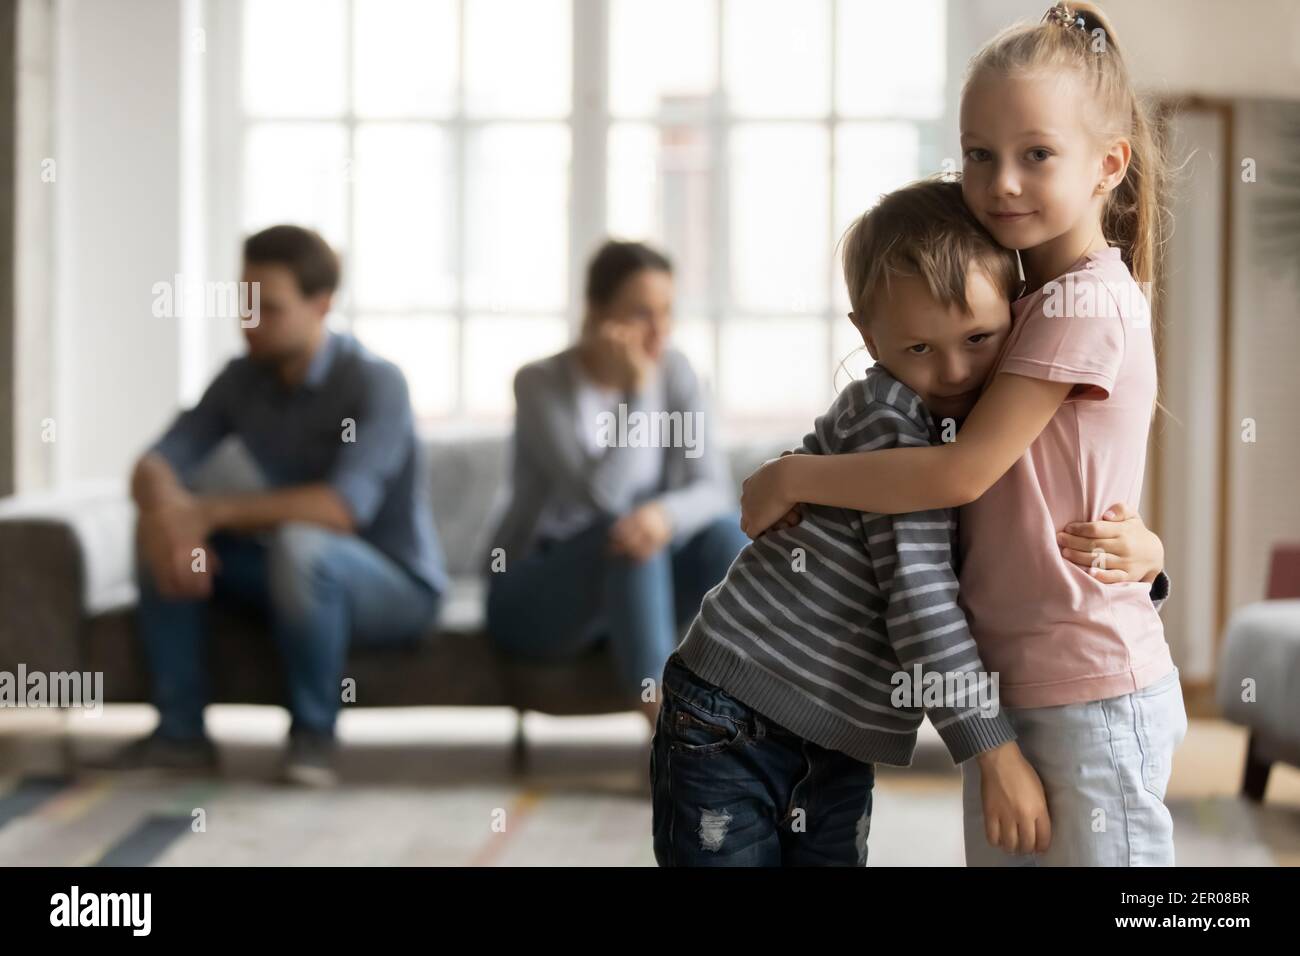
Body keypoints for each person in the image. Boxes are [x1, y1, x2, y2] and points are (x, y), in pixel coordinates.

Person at [739, 3, 1184, 865]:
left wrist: (797, 476)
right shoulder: (1015, 305)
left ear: (1109, 165)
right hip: (1019, 679)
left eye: (1036, 155)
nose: (1003, 182)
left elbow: (961, 474)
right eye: (980, 155)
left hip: (1086, 681)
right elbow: (1063, 482)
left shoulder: (1082, 300)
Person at [652, 178, 1169, 866]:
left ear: (1016, 314)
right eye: (919, 348)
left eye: (978, 337)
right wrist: (994, 752)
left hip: (831, 735)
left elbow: (1027, 527)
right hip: (734, 715)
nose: (953, 369)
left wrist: (1149, 559)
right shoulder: (894, 421)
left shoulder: (976, 426)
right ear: (868, 336)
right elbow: (922, 603)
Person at [114, 225, 447, 787]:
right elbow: (156, 462)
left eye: (268, 308)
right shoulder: (241, 379)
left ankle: (313, 737)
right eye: (244, 304)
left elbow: (340, 509)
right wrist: (172, 517)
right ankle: (180, 735)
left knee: (301, 546)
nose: (249, 321)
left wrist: (208, 512)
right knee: (161, 533)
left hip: (394, 586)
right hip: (289, 577)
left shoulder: (376, 382)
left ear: (322, 306)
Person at [486, 240, 748, 726]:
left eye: (667, 312)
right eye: (641, 313)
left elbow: (713, 490)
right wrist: (639, 388)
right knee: (628, 537)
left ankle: (740, 715)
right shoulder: (540, 384)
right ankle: (668, 736)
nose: (660, 330)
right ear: (596, 312)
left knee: (728, 536)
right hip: (535, 592)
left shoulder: (678, 373)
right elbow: (601, 495)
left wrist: (663, 515)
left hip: (635, 589)